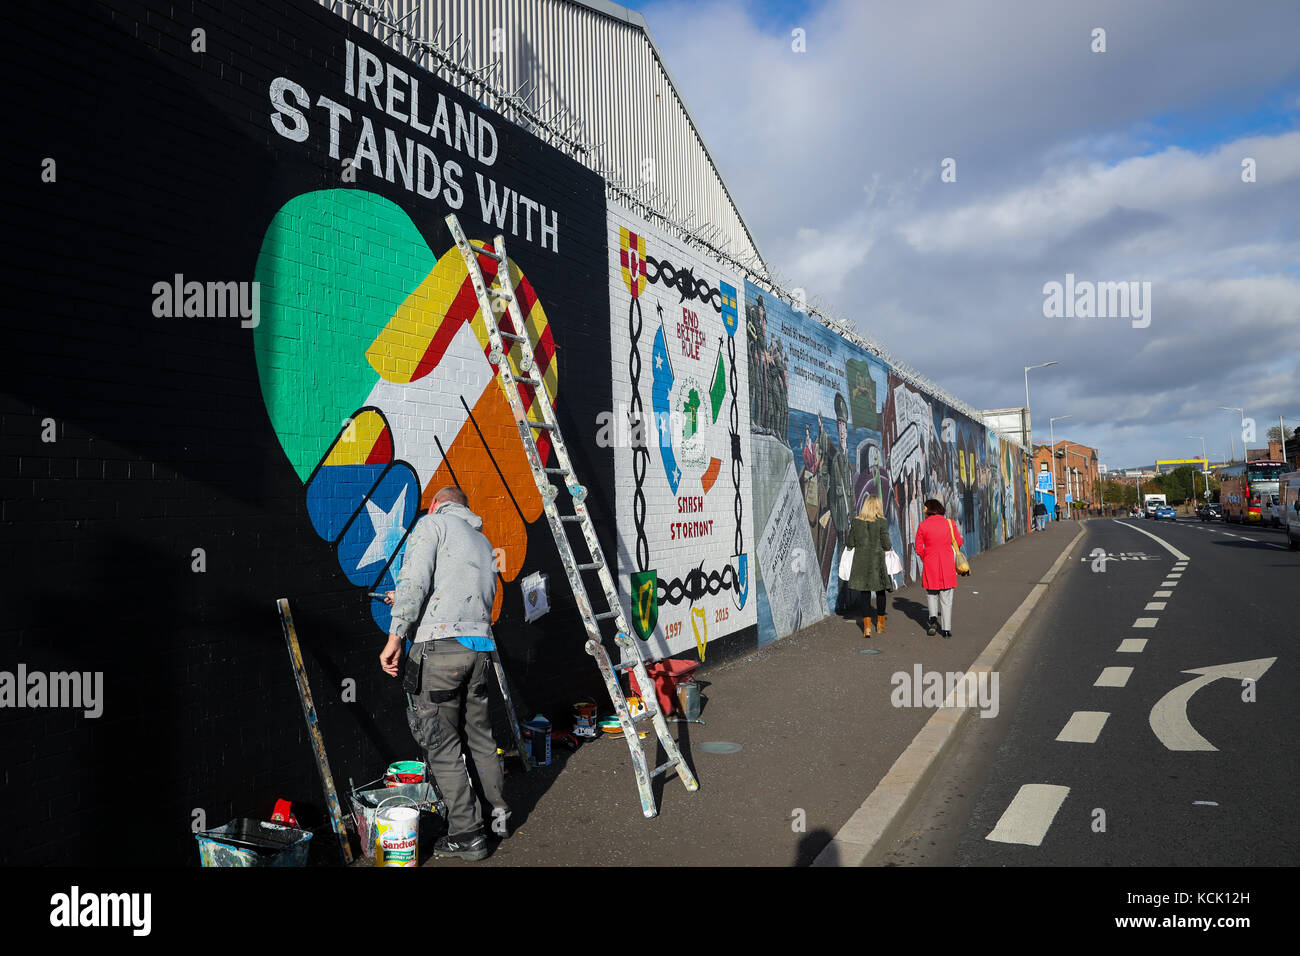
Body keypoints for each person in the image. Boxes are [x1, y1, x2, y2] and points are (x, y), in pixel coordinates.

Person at [380, 486, 507, 862]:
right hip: (480, 650)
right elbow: (470, 593)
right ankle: (498, 817)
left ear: (437, 504)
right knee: (481, 738)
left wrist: (396, 635)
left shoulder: (432, 525)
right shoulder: (483, 542)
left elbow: (414, 581)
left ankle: (467, 835)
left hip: (439, 653)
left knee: (442, 745)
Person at [913, 498, 962, 639]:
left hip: (930, 563)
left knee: (932, 593)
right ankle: (946, 630)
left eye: (924, 507)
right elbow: (958, 541)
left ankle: (933, 617)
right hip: (947, 564)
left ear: (929, 509)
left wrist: (925, 556)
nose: (923, 510)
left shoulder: (923, 525)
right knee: (946, 598)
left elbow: (918, 547)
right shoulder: (950, 524)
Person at [847, 495, 892, 636]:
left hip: (860, 562)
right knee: (880, 592)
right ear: (878, 506)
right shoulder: (882, 522)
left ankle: (867, 628)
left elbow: (850, 543)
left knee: (864, 593)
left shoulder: (856, 522)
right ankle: (880, 624)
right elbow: (887, 545)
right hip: (876, 562)